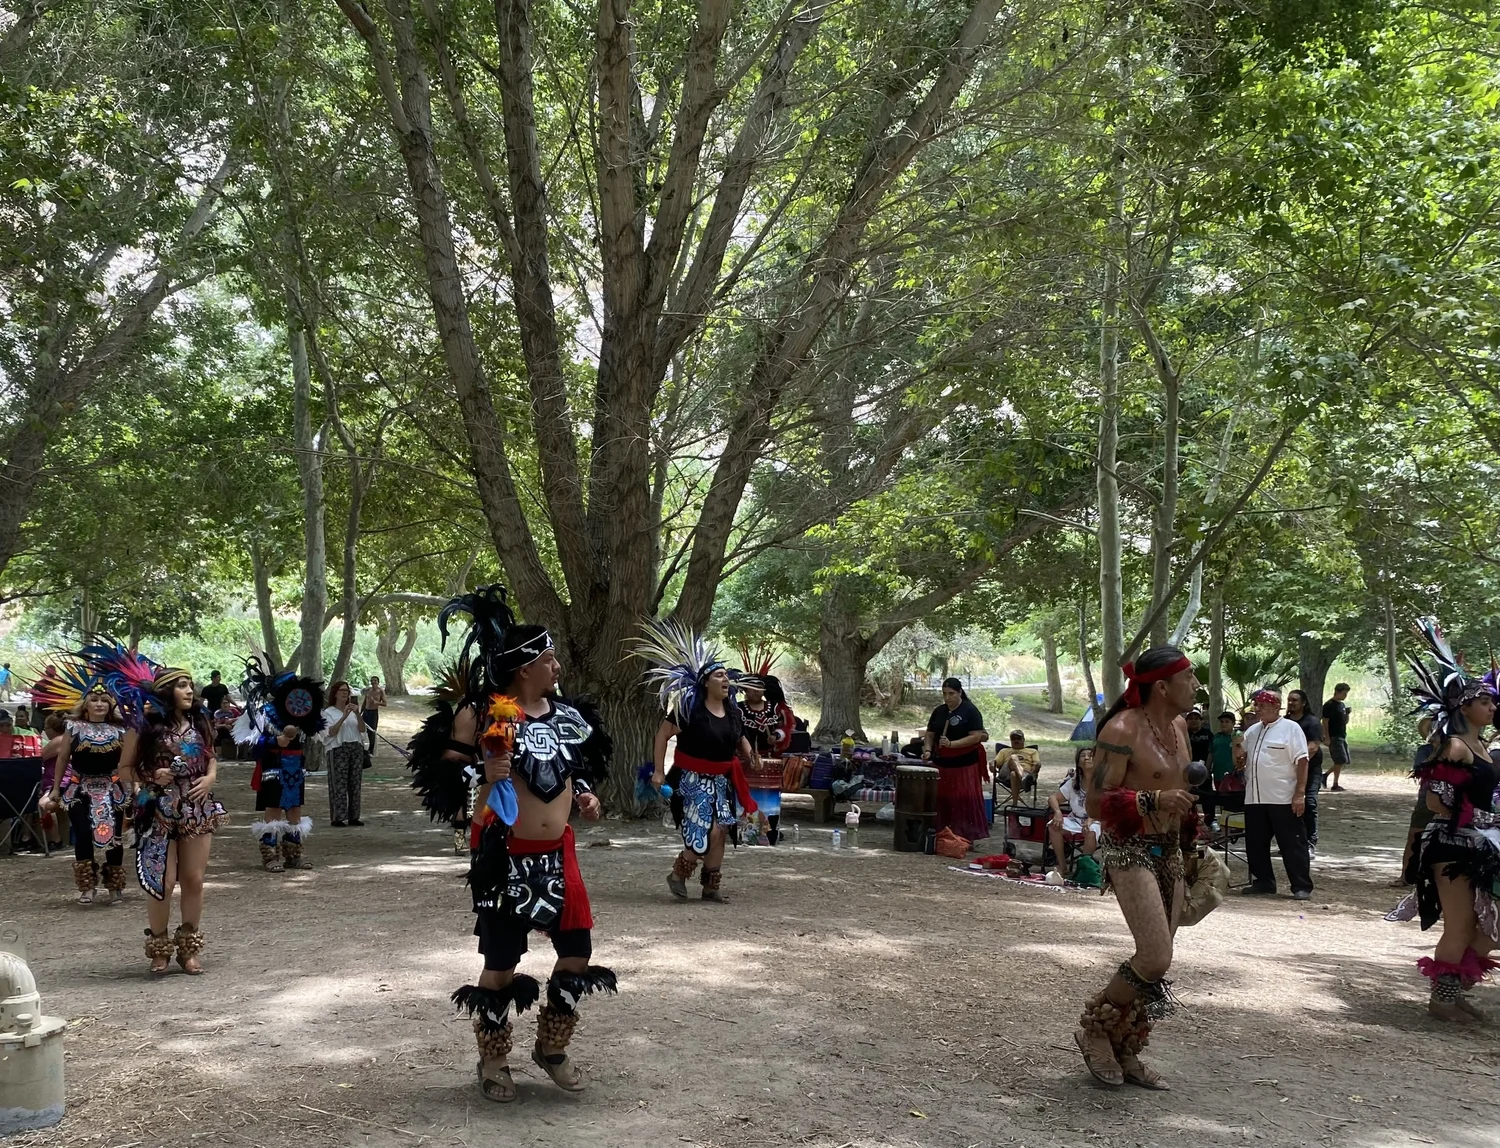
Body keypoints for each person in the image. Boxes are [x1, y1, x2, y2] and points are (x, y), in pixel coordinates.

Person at [434, 585, 616, 1102]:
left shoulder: (567, 717)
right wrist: (481, 771)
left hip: (559, 855)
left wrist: (584, 795)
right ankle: (493, 1060)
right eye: (549, 658)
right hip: (503, 854)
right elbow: (443, 779)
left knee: (577, 953)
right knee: (500, 964)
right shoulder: (483, 714)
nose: (557, 667)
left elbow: (569, 769)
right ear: (524, 667)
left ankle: (551, 1048)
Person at [1074, 646, 1200, 1090]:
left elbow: (1182, 794)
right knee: (1155, 955)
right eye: (1189, 679)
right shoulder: (1123, 728)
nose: (1197, 686)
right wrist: (1153, 800)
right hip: (1130, 848)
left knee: (1158, 962)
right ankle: (1094, 1027)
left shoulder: (1181, 727)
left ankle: (1125, 1044)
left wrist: (1188, 842)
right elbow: (1093, 802)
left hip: (1171, 850)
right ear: (1162, 687)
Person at [1403, 620, 1499, 1022]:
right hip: (1451, 843)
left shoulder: (1483, 747)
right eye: (1487, 702)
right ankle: (1442, 1001)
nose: (1494, 708)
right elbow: (1435, 801)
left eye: (1494, 703)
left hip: (1478, 843)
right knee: (1459, 925)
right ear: (1465, 706)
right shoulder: (1456, 746)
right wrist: (1484, 820)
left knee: (1488, 928)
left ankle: (1453, 988)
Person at [122, 663, 227, 975]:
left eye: (191, 684)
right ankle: (159, 946)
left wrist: (210, 779)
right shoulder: (143, 724)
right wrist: (152, 774)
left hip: (196, 808)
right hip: (157, 811)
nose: (189, 690)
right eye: (182, 685)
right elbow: (125, 769)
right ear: (166, 691)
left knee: (194, 880)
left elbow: (210, 758)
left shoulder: (200, 720)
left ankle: (188, 947)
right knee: (163, 883)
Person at [643, 622, 758, 903]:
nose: (725, 680)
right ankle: (679, 873)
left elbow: (739, 737)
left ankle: (710, 886)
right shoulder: (689, 710)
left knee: (723, 829)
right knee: (707, 829)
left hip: (721, 780)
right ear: (706, 682)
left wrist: (751, 756)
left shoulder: (732, 711)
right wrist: (658, 770)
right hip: (690, 778)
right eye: (719, 675)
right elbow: (662, 735)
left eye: (727, 676)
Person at [43, 686, 130, 905]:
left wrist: (135, 786)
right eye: (94, 700)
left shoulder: (120, 728)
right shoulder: (73, 727)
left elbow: (129, 761)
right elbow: (62, 758)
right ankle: (87, 887)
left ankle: (114, 887)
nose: (99, 704)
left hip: (112, 788)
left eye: (104, 700)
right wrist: (55, 789)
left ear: (111, 705)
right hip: (79, 788)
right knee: (82, 835)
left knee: (114, 838)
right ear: (86, 704)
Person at [238, 658, 327, 872]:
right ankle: (270, 856)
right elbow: (253, 744)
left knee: (295, 810)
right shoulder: (266, 712)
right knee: (274, 810)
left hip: (295, 766)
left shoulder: (303, 710)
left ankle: (294, 854)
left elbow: (318, 731)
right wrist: (273, 741)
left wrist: (311, 718)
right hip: (274, 765)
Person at [1238, 688, 1312, 899]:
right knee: (1255, 843)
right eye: (1256, 705)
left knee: (1292, 843)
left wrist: (1299, 793)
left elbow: (1302, 760)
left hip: (1282, 797)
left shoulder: (1291, 728)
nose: (1257, 710)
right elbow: (1241, 754)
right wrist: (1239, 756)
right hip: (1255, 797)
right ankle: (1263, 881)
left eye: (1261, 705)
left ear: (1274, 706)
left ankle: (1301, 885)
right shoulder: (1252, 731)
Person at [407, 660, 483, 854]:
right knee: (462, 804)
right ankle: (462, 841)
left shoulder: (462, 707)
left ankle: (464, 841)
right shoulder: (472, 709)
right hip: (456, 762)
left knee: (464, 802)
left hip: (456, 760)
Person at [922, 679, 991, 842]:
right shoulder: (939, 711)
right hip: (942, 762)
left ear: (960, 692)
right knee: (942, 797)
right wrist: (927, 750)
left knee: (963, 798)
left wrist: (952, 744)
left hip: (965, 763)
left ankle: (966, 835)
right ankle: (942, 833)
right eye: (944, 694)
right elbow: (930, 735)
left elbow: (976, 737)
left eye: (951, 694)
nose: (947, 698)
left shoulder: (970, 711)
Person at [1048, 746, 1099, 880]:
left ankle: (1083, 868)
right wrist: (1058, 812)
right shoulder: (1073, 783)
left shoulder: (1102, 783)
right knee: (1053, 826)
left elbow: (1108, 807)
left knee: (1091, 830)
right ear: (1078, 762)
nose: (1087, 757)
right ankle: (1063, 867)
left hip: (1097, 820)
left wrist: (1091, 818)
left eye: (1090, 755)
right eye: (1083, 755)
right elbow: (1053, 798)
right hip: (1076, 819)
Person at [321, 681, 366, 827]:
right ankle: (338, 817)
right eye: (342, 690)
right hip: (338, 748)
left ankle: (354, 816)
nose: (345, 693)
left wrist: (357, 714)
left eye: (347, 690)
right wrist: (343, 717)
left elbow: (362, 729)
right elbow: (330, 732)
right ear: (335, 693)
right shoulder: (328, 713)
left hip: (355, 747)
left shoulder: (353, 711)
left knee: (355, 783)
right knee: (338, 784)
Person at [1285, 689, 1324, 858]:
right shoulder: (1283, 723)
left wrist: (1296, 760)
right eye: (1289, 700)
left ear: (1303, 703)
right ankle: (1293, 841)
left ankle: (1310, 842)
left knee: (1309, 802)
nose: (1291, 703)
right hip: (1287, 770)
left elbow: (1313, 747)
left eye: (1295, 700)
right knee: (1287, 806)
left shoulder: (1312, 722)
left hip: (1311, 769)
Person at [38, 713, 70, 849]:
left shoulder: (58, 741)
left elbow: (39, 758)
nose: (45, 731)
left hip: (59, 782)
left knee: (44, 804)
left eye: (46, 728)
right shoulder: (70, 738)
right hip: (66, 781)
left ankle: (55, 840)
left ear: (52, 729)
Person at [994, 728, 1039, 806]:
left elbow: (1037, 763)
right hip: (1006, 773)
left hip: (1026, 773)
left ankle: (1014, 805)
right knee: (1013, 757)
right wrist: (992, 764)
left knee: (1014, 774)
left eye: (1018, 738)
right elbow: (996, 763)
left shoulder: (1032, 751)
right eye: (1013, 739)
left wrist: (1035, 769)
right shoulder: (1004, 751)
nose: (1016, 740)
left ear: (1023, 739)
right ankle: (1024, 778)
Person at [1321, 683, 1352, 791]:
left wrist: (1347, 714)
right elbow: (1325, 721)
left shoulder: (1342, 705)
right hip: (1334, 736)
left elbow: (1345, 722)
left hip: (1342, 735)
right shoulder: (1329, 705)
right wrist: (1326, 737)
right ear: (1337, 692)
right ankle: (1327, 778)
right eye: (1344, 693)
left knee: (1343, 761)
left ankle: (1334, 782)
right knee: (1340, 760)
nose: (1345, 695)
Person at [360, 675, 386, 755]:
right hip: (366, 712)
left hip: (373, 712)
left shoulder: (380, 691)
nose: (373, 682)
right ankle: (361, 747)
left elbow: (385, 703)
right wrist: (361, 712)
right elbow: (365, 701)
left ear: (378, 682)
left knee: (372, 731)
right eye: (372, 680)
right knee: (361, 729)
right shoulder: (368, 690)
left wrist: (376, 702)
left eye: (375, 680)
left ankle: (371, 750)